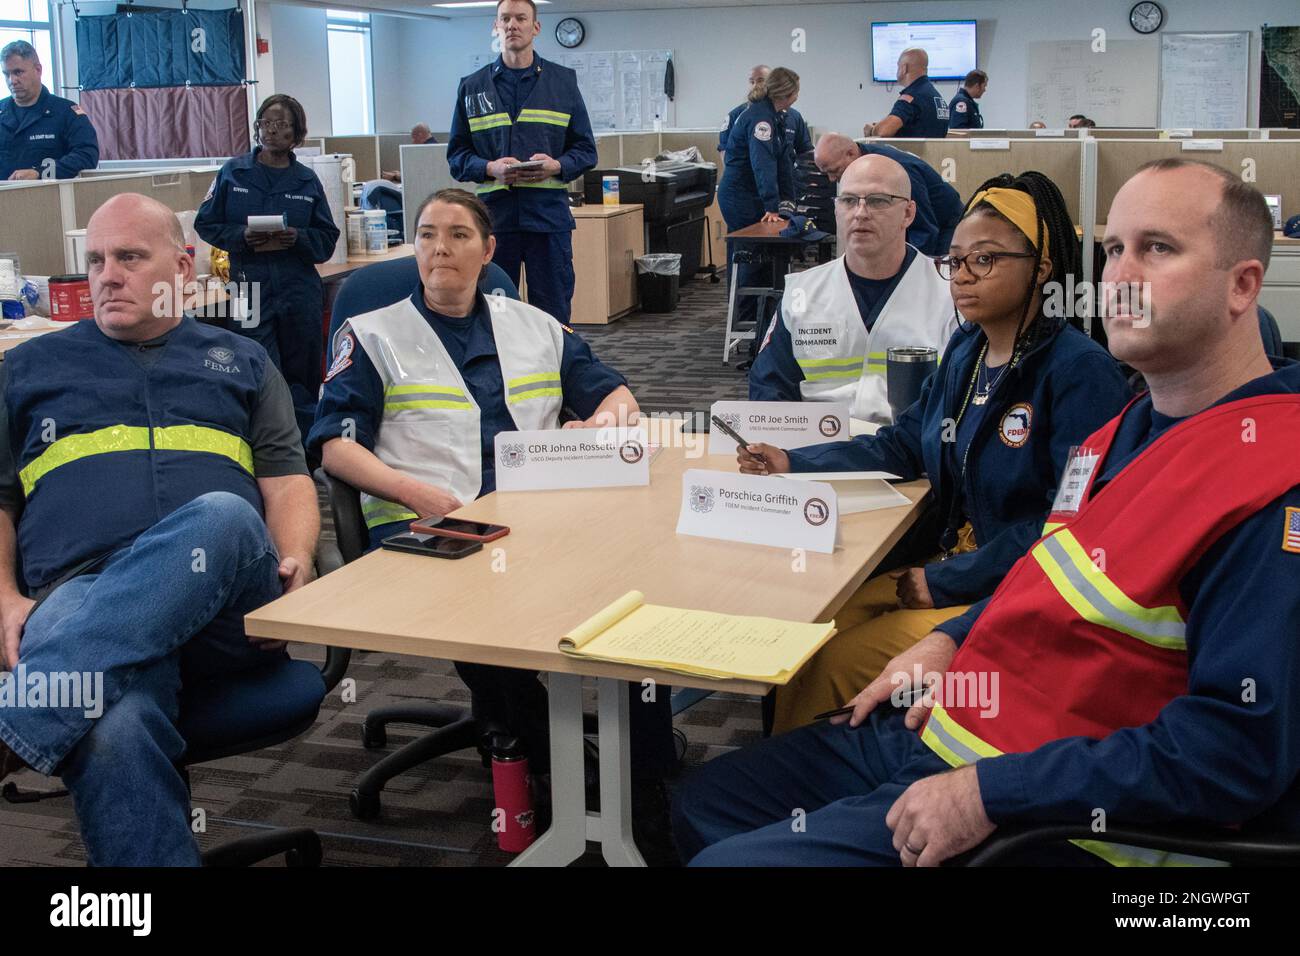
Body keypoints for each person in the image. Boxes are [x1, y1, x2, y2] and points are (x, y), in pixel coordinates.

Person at [673, 159, 1300, 867]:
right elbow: (1050, 567)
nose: (1121, 276)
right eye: (1115, 249)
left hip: (1038, 798)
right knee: (701, 804)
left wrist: (991, 792)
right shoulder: (1120, 432)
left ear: (1243, 285)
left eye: (1158, 248)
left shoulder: (1271, 483)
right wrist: (954, 639)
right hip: (963, 719)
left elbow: (1238, 752)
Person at [307, 188, 677, 839]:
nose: (440, 248)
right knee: (494, 605)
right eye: (426, 235)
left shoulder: (533, 324)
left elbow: (614, 394)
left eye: (456, 234)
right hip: (427, 524)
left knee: (642, 591)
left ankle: (645, 771)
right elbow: (334, 447)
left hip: (535, 510)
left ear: (488, 250)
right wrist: (411, 491)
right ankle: (563, 760)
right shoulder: (371, 335)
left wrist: (602, 425)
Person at [744, 170, 1131, 732]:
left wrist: (948, 582)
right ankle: (801, 772)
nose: (963, 276)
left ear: (1041, 271)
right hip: (952, 565)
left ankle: (804, 785)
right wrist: (793, 461)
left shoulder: (1077, 374)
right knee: (814, 622)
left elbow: (1070, 530)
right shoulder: (967, 349)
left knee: (834, 660)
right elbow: (903, 445)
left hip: (1016, 592)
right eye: (956, 260)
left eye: (987, 260)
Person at [0, 194, 319, 866]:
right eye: (94, 261)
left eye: (129, 257)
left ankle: (17, 721)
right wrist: (4, 597)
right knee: (115, 725)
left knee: (226, 517)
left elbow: (288, 482)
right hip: (77, 596)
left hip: (225, 611)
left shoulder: (243, 363)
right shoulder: (27, 370)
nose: (106, 275)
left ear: (182, 265)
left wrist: (296, 558)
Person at [749, 153, 959, 424]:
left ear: (908, 213)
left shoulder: (949, 294)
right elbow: (769, 392)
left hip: (910, 455)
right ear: (837, 209)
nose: (860, 213)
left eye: (878, 201)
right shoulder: (802, 293)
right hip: (816, 453)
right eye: (848, 201)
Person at [195, 94, 340, 444]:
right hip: (248, 287)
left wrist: (298, 238)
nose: (271, 130)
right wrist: (241, 237)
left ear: (297, 134)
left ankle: (305, 449)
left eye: (281, 124)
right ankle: (263, 447)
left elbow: (326, 239)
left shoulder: (306, 181)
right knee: (254, 367)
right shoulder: (234, 172)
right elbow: (206, 224)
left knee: (301, 375)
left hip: (298, 288)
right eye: (265, 123)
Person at [447, 0, 597, 325]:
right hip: (494, 222)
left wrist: (555, 165)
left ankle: (554, 374)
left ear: (535, 27)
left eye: (520, 18)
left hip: (547, 220)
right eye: (505, 18)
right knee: (494, 312)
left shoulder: (562, 83)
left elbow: (586, 151)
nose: (512, 24)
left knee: (552, 314)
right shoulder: (472, 88)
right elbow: (457, 157)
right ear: (495, 26)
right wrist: (491, 168)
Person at [718, 67, 802, 353]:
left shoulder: (775, 116)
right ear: (789, 93)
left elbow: (783, 163)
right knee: (752, 256)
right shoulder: (760, 119)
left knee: (767, 255)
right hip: (741, 196)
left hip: (754, 195)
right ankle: (749, 322)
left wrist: (786, 203)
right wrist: (771, 205)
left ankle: (767, 319)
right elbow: (761, 164)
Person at [813, 132, 962, 255]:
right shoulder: (864, 160)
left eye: (834, 171)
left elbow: (924, 229)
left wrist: (912, 269)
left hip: (946, 226)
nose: (832, 179)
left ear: (850, 153)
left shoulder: (896, 169)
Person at [0, 40, 98, 181]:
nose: (12, 80)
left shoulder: (66, 112)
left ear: (38, 70)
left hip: (48, 199)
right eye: (6, 74)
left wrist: (40, 173)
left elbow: (87, 155)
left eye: (18, 72)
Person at [864, 48, 948, 139]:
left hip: (913, 152)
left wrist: (872, 130)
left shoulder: (912, 96)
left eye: (898, 66)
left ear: (904, 68)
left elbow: (884, 131)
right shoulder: (936, 96)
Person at [718, 65, 769, 157]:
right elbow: (724, 151)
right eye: (752, 82)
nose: (755, 85)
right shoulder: (735, 115)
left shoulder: (789, 115)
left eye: (761, 80)